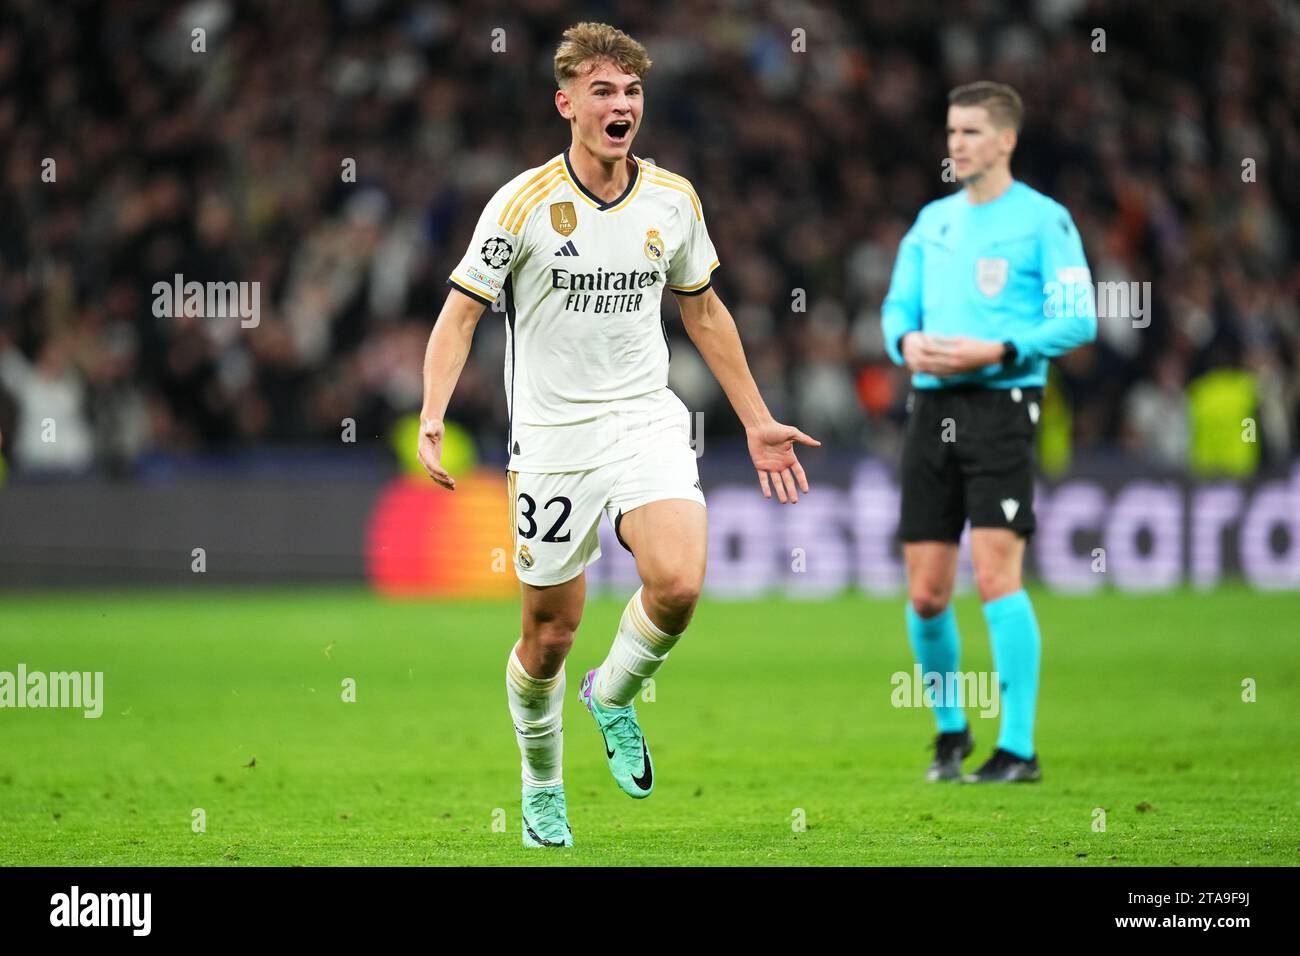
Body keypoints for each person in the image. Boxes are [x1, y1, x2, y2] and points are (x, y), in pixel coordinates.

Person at [417, 22, 819, 845]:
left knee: (678, 583)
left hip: (644, 416)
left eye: (632, 91)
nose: (622, 104)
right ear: (566, 104)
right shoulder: (522, 203)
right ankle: (541, 782)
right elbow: (460, 315)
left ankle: (614, 695)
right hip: (553, 439)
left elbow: (702, 309)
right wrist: (432, 415)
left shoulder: (673, 199)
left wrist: (754, 418)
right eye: (603, 91)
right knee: (549, 635)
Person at [881, 81, 1097, 783]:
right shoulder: (932, 222)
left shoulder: (1044, 221)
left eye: (971, 132)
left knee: (997, 573)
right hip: (929, 407)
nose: (956, 144)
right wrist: (905, 344)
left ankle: (1020, 748)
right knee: (925, 594)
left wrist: (1000, 350)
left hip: (1002, 405)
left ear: (1006, 140)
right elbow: (894, 308)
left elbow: (1079, 318)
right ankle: (950, 733)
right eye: (951, 132)